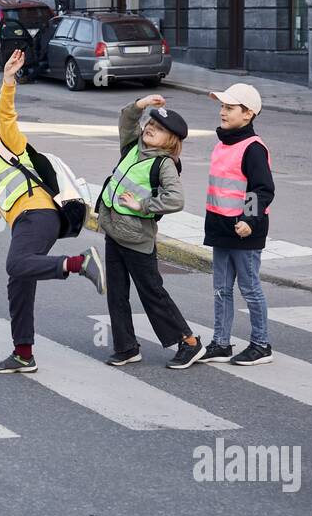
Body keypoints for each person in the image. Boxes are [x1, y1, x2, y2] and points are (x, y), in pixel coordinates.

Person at [0, 48, 105, 374]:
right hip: (25, 220)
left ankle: (81, 262)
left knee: (16, 263)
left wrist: (8, 80)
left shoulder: (11, 143)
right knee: (19, 278)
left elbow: (7, 114)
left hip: (39, 215)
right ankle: (23, 354)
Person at [97, 95, 206, 369]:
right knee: (116, 293)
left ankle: (189, 342)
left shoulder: (164, 164)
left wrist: (142, 204)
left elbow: (176, 199)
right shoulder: (133, 146)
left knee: (152, 293)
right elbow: (127, 118)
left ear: (170, 140)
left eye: (158, 128)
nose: (149, 128)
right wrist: (141, 104)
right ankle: (126, 347)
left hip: (137, 239)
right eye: (150, 123)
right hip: (113, 231)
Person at [201, 83, 275, 366]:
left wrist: (249, 220)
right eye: (222, 106)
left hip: (244, 231)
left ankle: (261, 344)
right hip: (220, 228)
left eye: (229, 108)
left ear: (248, 115)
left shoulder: (253, 148)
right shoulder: (222, 144)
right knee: (221, 289)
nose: (222, 112)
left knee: (250, 288)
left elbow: (261, 189)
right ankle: (221, 343)